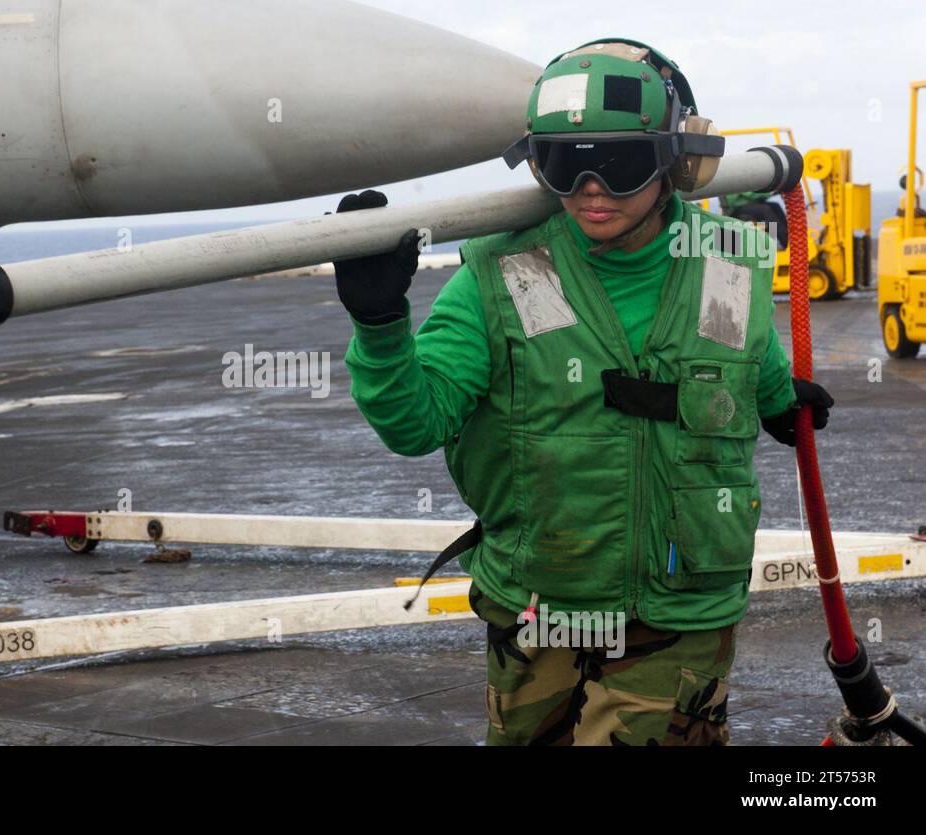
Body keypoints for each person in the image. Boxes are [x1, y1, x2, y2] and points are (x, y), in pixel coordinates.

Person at [333, 39, 833, 746]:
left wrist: (780, 398)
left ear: (674, 158)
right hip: (539, 612)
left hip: (679, 611)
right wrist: (381, 326)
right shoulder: (500, 274)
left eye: (620, 164)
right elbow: (416, 421)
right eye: (566, 164)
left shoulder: (726, 260)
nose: (591, 189)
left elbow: (741, 352)